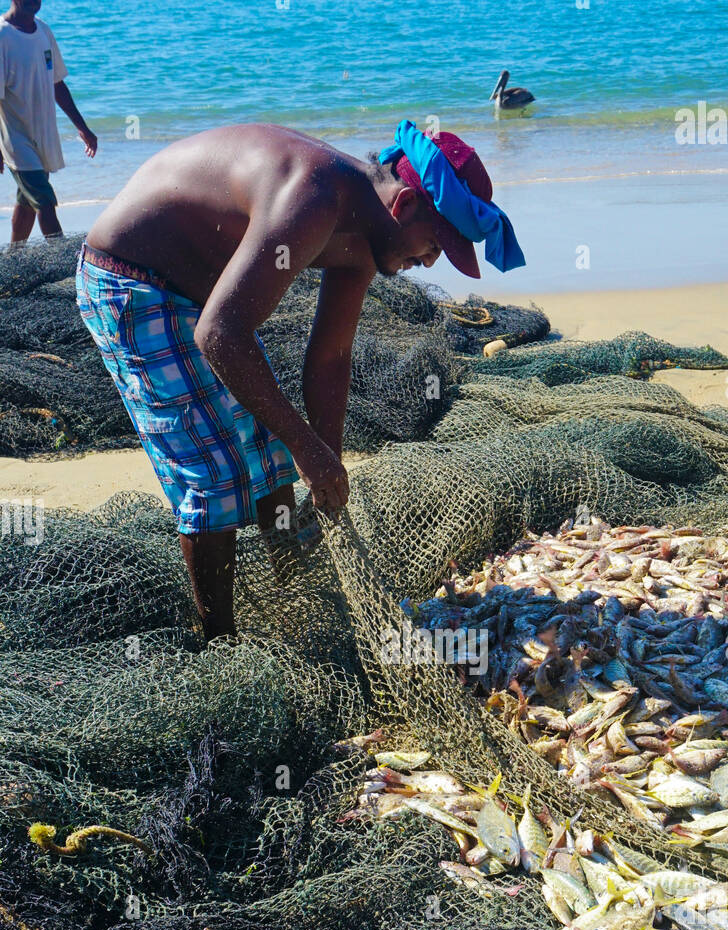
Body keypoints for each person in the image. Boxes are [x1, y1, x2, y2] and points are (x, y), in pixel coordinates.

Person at [77, 119, 525, 640]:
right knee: (215, 474)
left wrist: (325, 459)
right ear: (402, 206)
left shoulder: (366, 239)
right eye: (435, 242)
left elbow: (331, 356)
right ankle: (221, 646)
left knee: (271, 459)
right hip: (131, 281)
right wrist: (310, 449)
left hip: (206, 299)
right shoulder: (313, 197)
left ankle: (300, 608)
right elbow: (221, 335)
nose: (430, 260)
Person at [0, 0, 96, 243]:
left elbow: (57, 84)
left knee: (28, 201)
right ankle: (64, 264)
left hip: (43, 135)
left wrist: (82, 127)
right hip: (15, 138)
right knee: (44, 200)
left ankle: (13, 259)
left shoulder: (43, 31)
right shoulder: (2, 36)